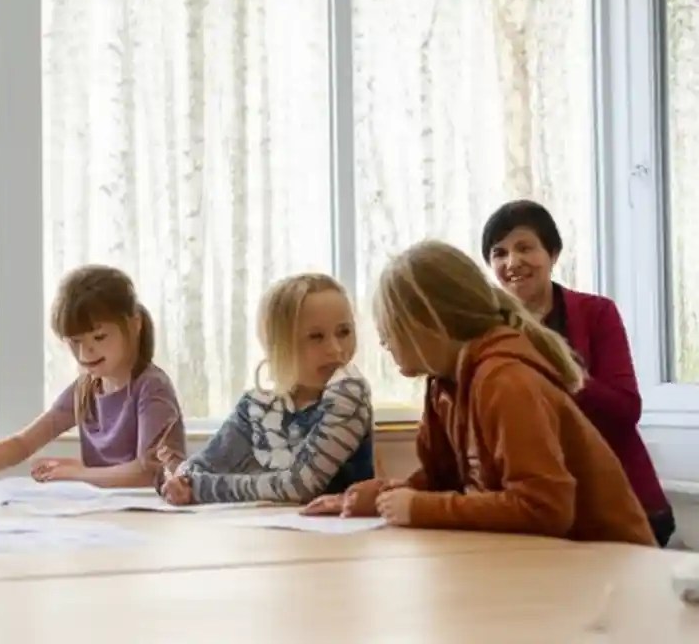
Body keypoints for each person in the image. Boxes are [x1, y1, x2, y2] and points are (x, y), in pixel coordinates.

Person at [305, 240, 654, 546]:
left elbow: (545, 508)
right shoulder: (445, 383)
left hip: (611, 567)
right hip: (551, 564)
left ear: (427, 323)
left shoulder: (505, 380)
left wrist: (419, 507)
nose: (383, 341)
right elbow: (445, 483)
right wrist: (380, 496)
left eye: (389, 326)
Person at [481, 199, 672, 546]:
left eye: (525, 247)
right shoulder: (488, 330)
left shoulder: (597, 313)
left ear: (553, 254)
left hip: (623, 504)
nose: (512, 262)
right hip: (544, 510)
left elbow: (625, 409)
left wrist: (558, 366)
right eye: (499, 253)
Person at [0, 264, 185, 488]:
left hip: (154, 512)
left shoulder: (152, 388)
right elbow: (23, 443)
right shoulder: (86, 388)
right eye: (74, 342)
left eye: (99, 337)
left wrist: (79, 472)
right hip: (111, 511)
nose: (85, 352)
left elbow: (149, 472)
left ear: (134, 325)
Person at [158, 274, 373, 505]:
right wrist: (180, 480)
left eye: (344, 332)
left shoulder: (349, 393)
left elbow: (299, 487)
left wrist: (200, 488)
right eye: (316, 337)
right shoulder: (257, 405)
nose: (336, 349)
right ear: (277, 344)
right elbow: (201, 466)